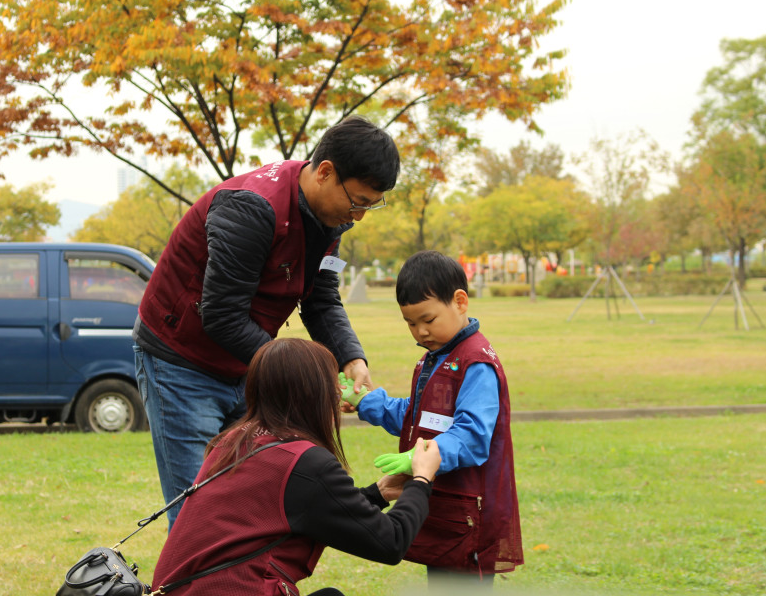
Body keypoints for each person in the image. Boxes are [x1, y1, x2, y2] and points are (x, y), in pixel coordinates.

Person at [133, 115, 399, 528]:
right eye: (359, 201)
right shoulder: (251, 208)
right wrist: (302, 374)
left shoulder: (331, 218)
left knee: (254, 500)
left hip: (247, 363)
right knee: (196, 515)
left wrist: (351, 357)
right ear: (326, 172)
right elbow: (221, 316)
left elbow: (321, 299)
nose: (360, 215)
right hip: (180, 361)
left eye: (370, 204)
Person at [152, 338, 442, 596]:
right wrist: (421, 479)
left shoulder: (232, 441)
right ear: (313, 394)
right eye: (332, 384)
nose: (338, 393)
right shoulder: (304, 462)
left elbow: (312, 511)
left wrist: (378, 493)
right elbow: (391, 542)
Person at [340, 250, 523, 591]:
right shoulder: (436, 357)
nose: (420, 331)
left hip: (469, 512)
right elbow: (417, 416)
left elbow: (471, 434)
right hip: (443, 505)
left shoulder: (474, 363)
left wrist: (420, 458)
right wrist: (367, 401)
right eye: (410, 323)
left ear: (460, 301)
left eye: (428, 319)